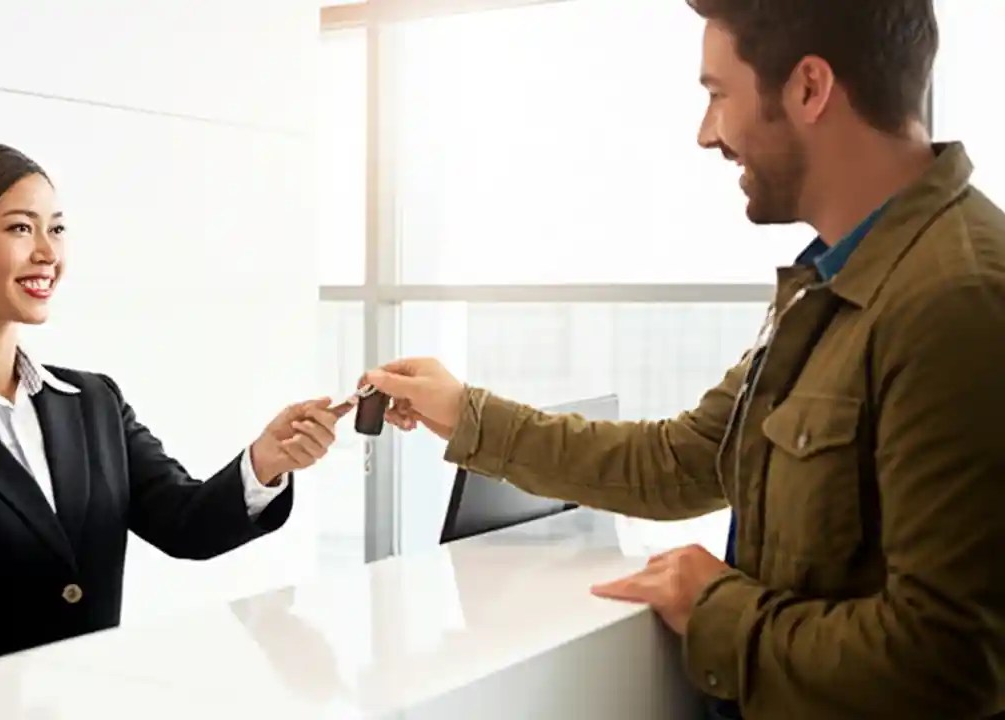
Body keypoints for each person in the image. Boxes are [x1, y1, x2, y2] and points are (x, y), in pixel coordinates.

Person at [362, 1, 1005, 718]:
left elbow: (946, 663)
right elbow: (684, 460)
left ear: (809, 89)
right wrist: (465, 414)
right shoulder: (830, 282)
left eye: (717, 94)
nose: (708, 134)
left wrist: (718, 610)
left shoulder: (957, 299)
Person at [0, 141, 350, 685]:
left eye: (56, 229)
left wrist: (265, 462)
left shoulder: (94, 402)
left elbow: (186, 523)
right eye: (19, 228)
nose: (47, 253)